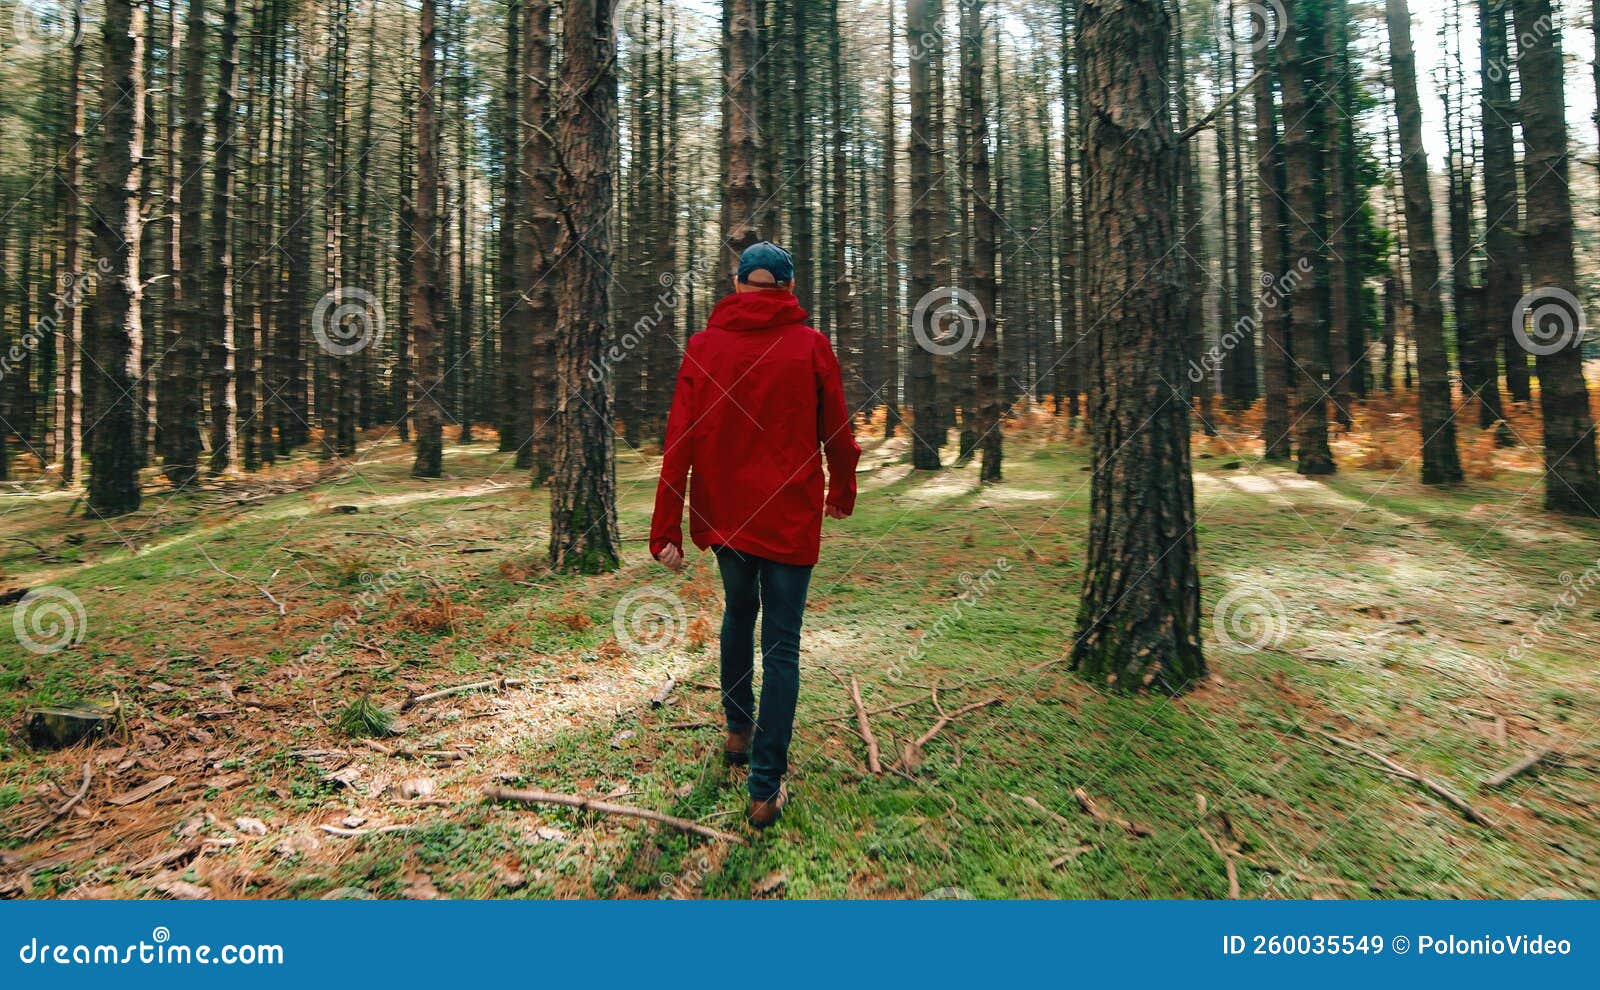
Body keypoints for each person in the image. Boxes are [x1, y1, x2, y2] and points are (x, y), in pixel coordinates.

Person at [649, 241, 861, 830]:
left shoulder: (704, 346)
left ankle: (738, 732)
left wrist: (666, 525)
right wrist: (840, 490)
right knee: (782, 643)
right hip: (790, 517)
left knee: (740, 614)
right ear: (789, 288)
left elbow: (679, 439)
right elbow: (839, 434)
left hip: (728, 518)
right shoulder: (810, 347)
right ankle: (764, 788)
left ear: (739, 285)